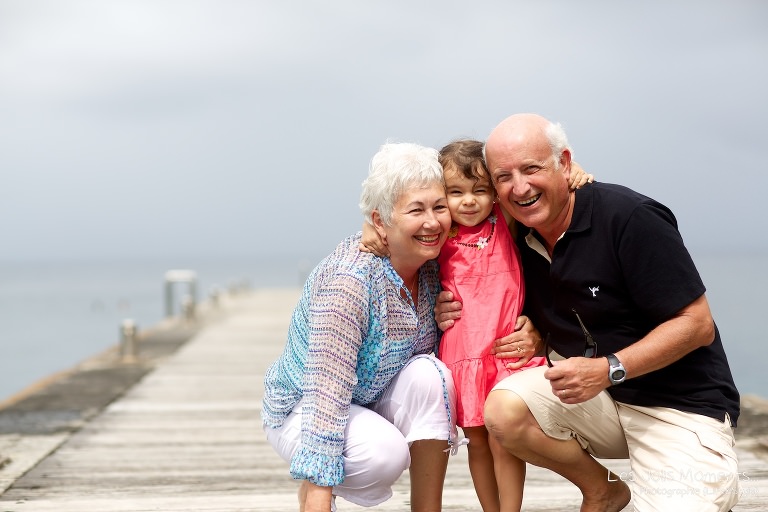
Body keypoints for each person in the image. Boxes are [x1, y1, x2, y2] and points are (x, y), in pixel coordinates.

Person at [435, 113, 741, 512]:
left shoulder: (629, 218)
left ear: (564, 163)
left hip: (676, 407)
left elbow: (697, 325)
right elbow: (423, 222)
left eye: (532, 169)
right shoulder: (515, 234)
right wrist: (536, 333)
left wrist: (608, 368)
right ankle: (603, 489)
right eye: (504, 177)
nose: (520, 187)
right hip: (596, 403)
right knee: (504, 410)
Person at [361, 139, 592, 512]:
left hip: (503, 349)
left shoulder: (504, 221)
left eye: (479, 190)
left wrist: (573, 170)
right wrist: (369, 228)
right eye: (455, 193)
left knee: (504, 440)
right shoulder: (443, 231)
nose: (469, 201)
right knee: (478, 443)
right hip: (463, 352)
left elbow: (535, 187)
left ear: (493, 193)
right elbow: (400, 224)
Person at [262, 142, 460, 512]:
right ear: (380, 221)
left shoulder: (433, 265)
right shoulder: (350, 281)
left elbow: (484, 198)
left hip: (370, 396)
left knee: (433, 376)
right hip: (304, 406)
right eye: (416, 209)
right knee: (385, 455)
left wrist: (570, 179)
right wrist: (318, 488)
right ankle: (312, 484)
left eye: (439, 207)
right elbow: (327, 389)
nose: (433, 222)